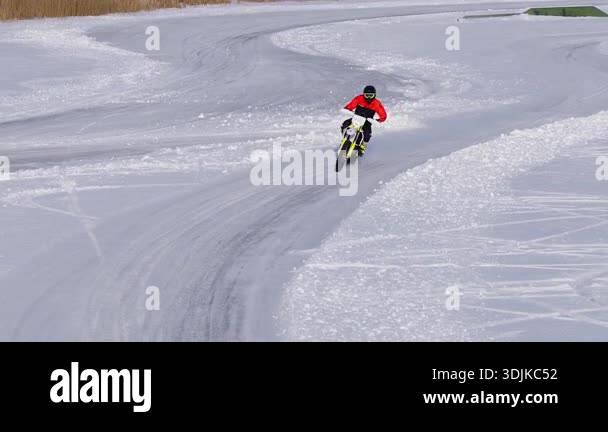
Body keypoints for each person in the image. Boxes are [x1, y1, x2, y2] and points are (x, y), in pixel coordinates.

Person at [341, 85, 387, 156]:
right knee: (345, 124)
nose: (368, 97)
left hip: (367, 121)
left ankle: (363, 146)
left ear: (374, 95)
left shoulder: (376, 103)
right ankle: (344, 139)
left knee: (367, 133)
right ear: (363, 94)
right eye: (367, 95)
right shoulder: (359, 98)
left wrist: (378, 120)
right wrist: (347, 109)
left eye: (371, 95)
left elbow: (383, 115)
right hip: (356, 118)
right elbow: (350, 106)